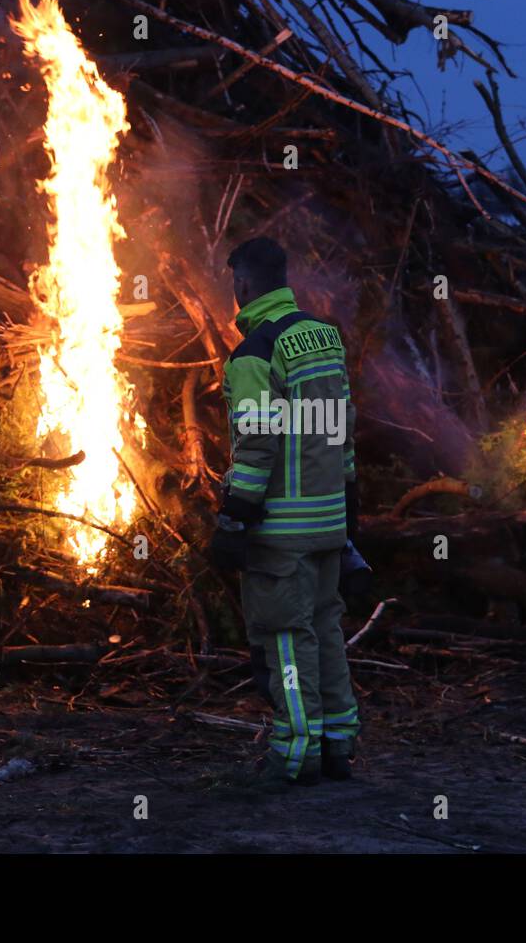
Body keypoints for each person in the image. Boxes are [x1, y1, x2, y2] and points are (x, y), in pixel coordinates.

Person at [209, 237, 361, 787]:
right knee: (324, 628)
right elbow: (340, 429)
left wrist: (235, 518)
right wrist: (350, 510)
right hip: (326, 521)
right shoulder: (321, 337)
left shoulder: (255, 353)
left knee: (283, 637)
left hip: (281, 532)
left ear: (243, 286)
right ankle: (338, 743)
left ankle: (294, 755)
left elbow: (258, 443)